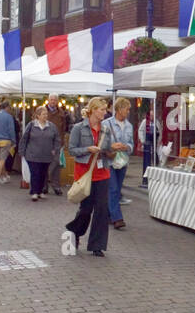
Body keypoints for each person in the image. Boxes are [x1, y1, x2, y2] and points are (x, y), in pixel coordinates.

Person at [63, 98, 112, 256]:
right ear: (93, 110)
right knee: (86, 210)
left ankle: (97, 245)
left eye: (105, 110)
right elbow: (72, 150)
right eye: (102, 109)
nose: (105, 112)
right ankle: (74, 231)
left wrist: (112, 151)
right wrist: (87, 149)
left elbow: (107, 152)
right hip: (85, 174)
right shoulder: (79, 128)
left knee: (102, 210)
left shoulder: (106, 129)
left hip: (102, 173)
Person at [105, 97, 135, 230]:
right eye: (127, 109)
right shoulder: (106, 123)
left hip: (123, 161)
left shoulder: (129, 126)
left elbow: (132, 144)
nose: (128, 112)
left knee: (116, 190)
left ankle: (108, 214)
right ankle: (117, 218)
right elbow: (101, 143)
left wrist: (127, 147)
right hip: (110, 161)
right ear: (119, 109)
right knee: (113, 188)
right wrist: (112, 146)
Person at [19, 104, 60, 202]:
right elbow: (24, 138)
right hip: (32, 154)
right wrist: (22, 151)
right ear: (38, 115)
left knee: (43, 173)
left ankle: (41, 191)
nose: (45, 116)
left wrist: (55, 149)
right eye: (43, 114)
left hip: (46, 154)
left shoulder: (52, 126)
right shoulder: (31, 125)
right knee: (35, 173)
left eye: (46, 114)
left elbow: (57, 139)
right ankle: (34, 192)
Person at [45, 94, 69, 195]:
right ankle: (44, 185)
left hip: (57, 142)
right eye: (51, 99)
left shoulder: (61, 113)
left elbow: (64, 128)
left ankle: (56, 186)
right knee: (45, 164)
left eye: (55, 100)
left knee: (57, 165)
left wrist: (63, 141)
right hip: (45, 142)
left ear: (57, 101)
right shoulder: (43, 111)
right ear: (48, 100)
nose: (53, 101)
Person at [138, 110, 155, 188]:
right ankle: (145, 179)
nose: (152, 117)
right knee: (146, 162)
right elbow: (140, 130)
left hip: (154, 144)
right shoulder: (145, 122)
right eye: (151, 115)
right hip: (147, 144)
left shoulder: (156, 122)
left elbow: (159, 131)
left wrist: (158, 141)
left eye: (153, 115)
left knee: (154, 162)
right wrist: (142, 140)